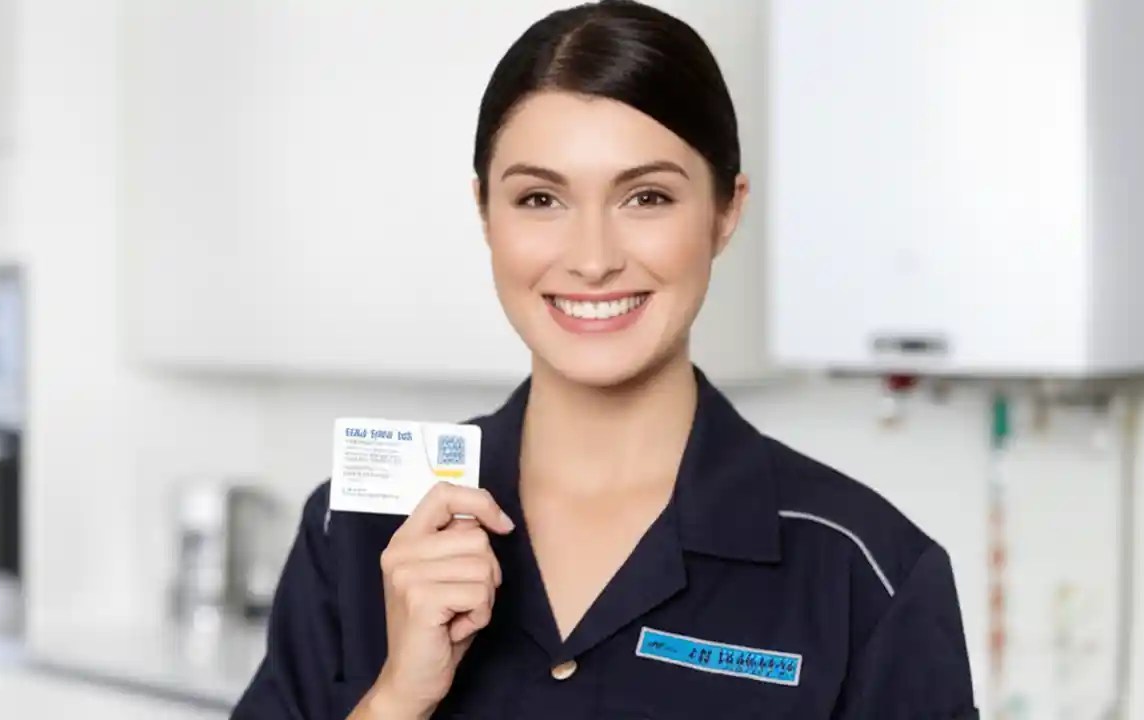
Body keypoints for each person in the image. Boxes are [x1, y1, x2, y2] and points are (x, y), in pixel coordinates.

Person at [232, 1, 978, 718]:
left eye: (647, 197)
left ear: (726, 212)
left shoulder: (864, 572)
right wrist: (399, 699)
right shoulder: (358, 527)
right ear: (485, 212)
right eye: (540, 200)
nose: (592, 261)